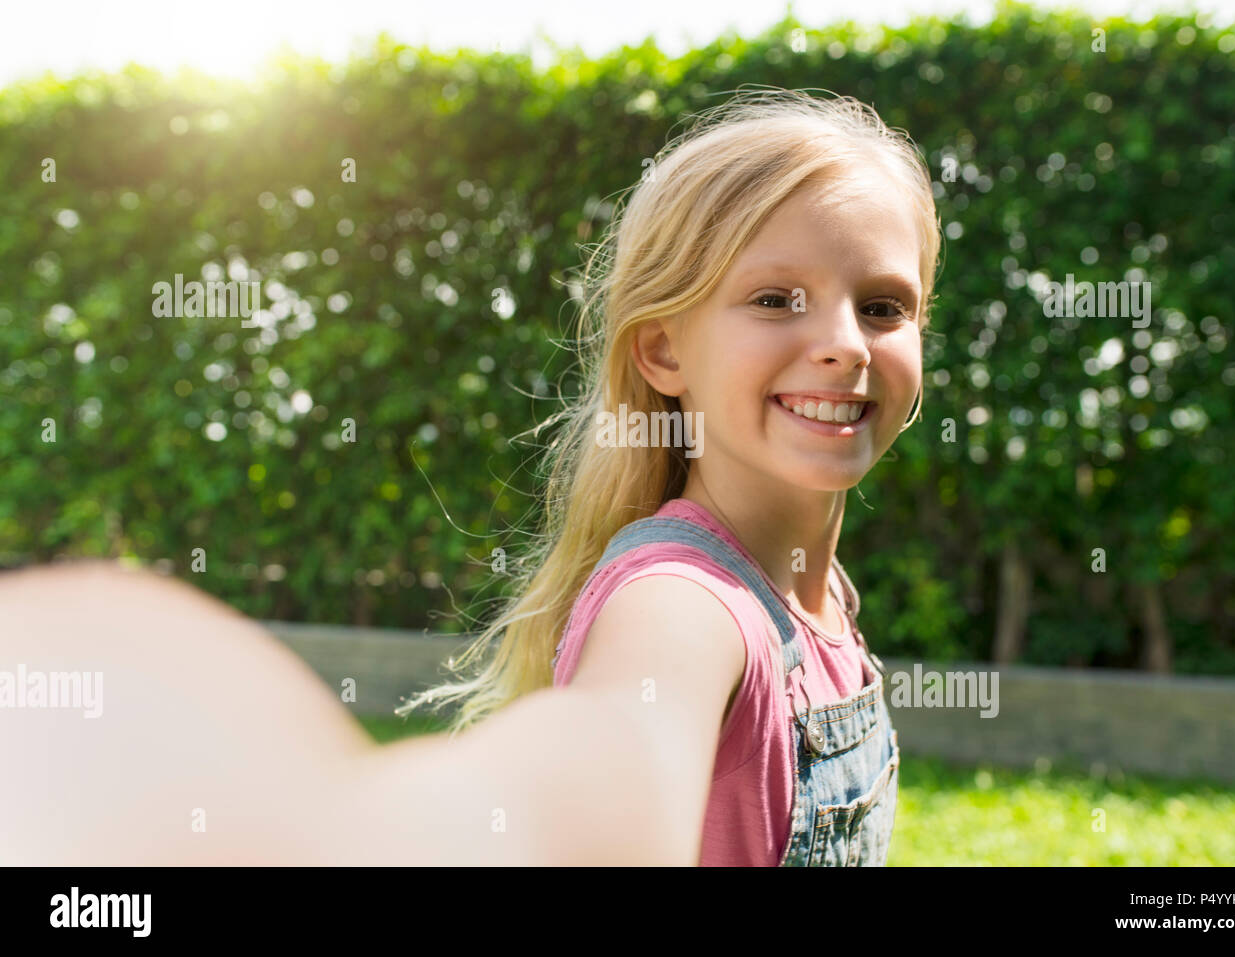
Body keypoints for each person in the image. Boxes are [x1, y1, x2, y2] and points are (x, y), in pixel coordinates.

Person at [0, 87, 940, 866]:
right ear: (662, 349)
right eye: (776, 299)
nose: (843, 346)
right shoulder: (680, 606)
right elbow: (602, 771)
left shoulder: (815, 595)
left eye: (884, 305)